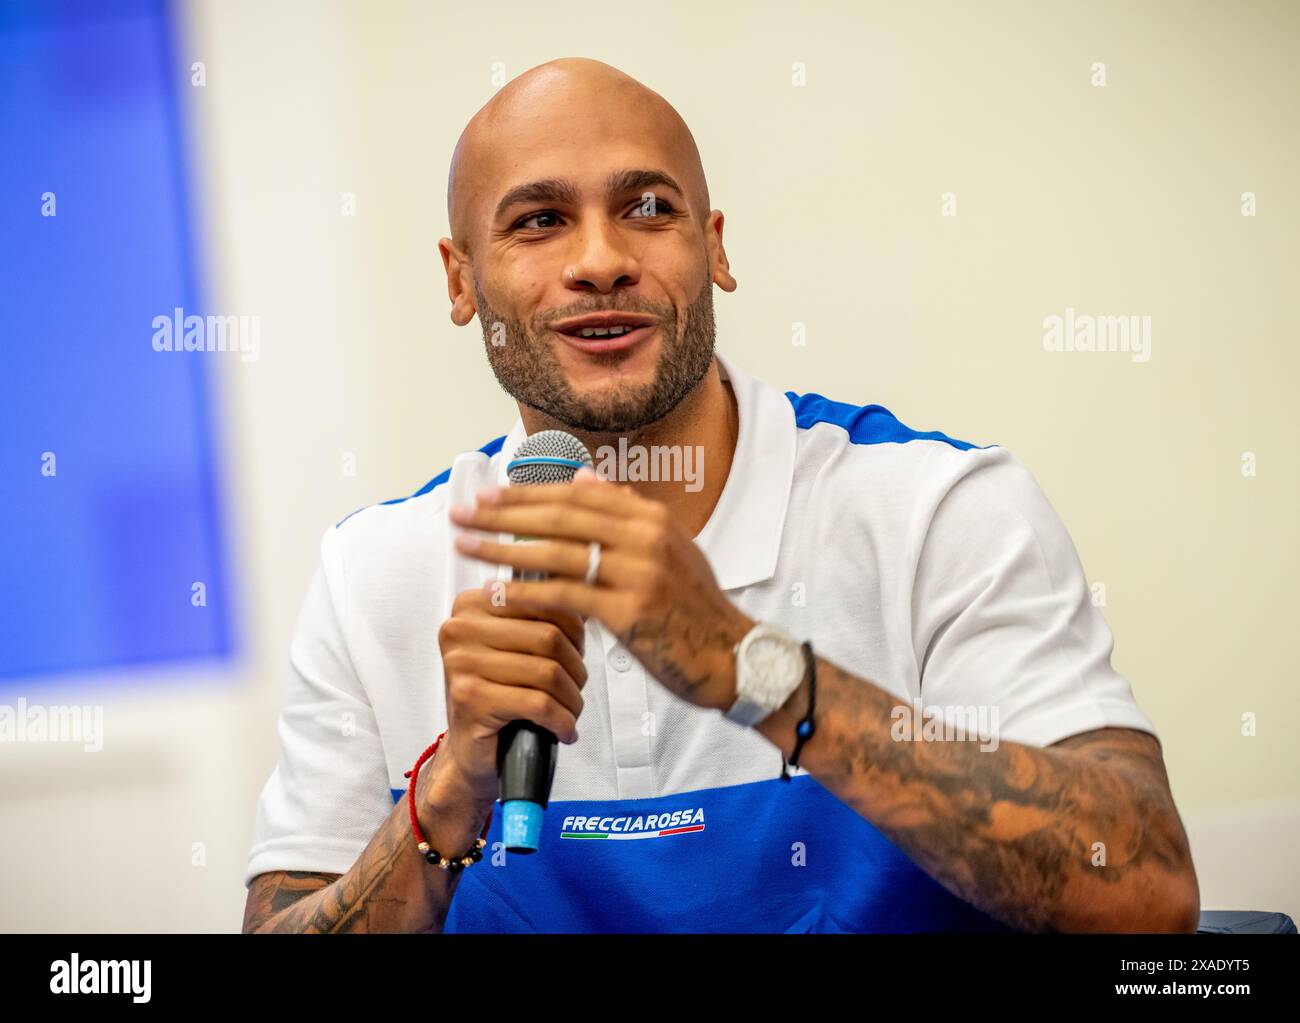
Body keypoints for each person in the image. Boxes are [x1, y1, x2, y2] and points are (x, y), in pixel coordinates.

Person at [241, 58, 1199, 934]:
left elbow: (1147, 894)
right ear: (461, 280)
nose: (601, 259)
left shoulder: (935, 508)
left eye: (648, 208)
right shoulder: (373, 573)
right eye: (538, 220)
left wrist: (758, 672)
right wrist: (447, 792)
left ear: (716, 249)